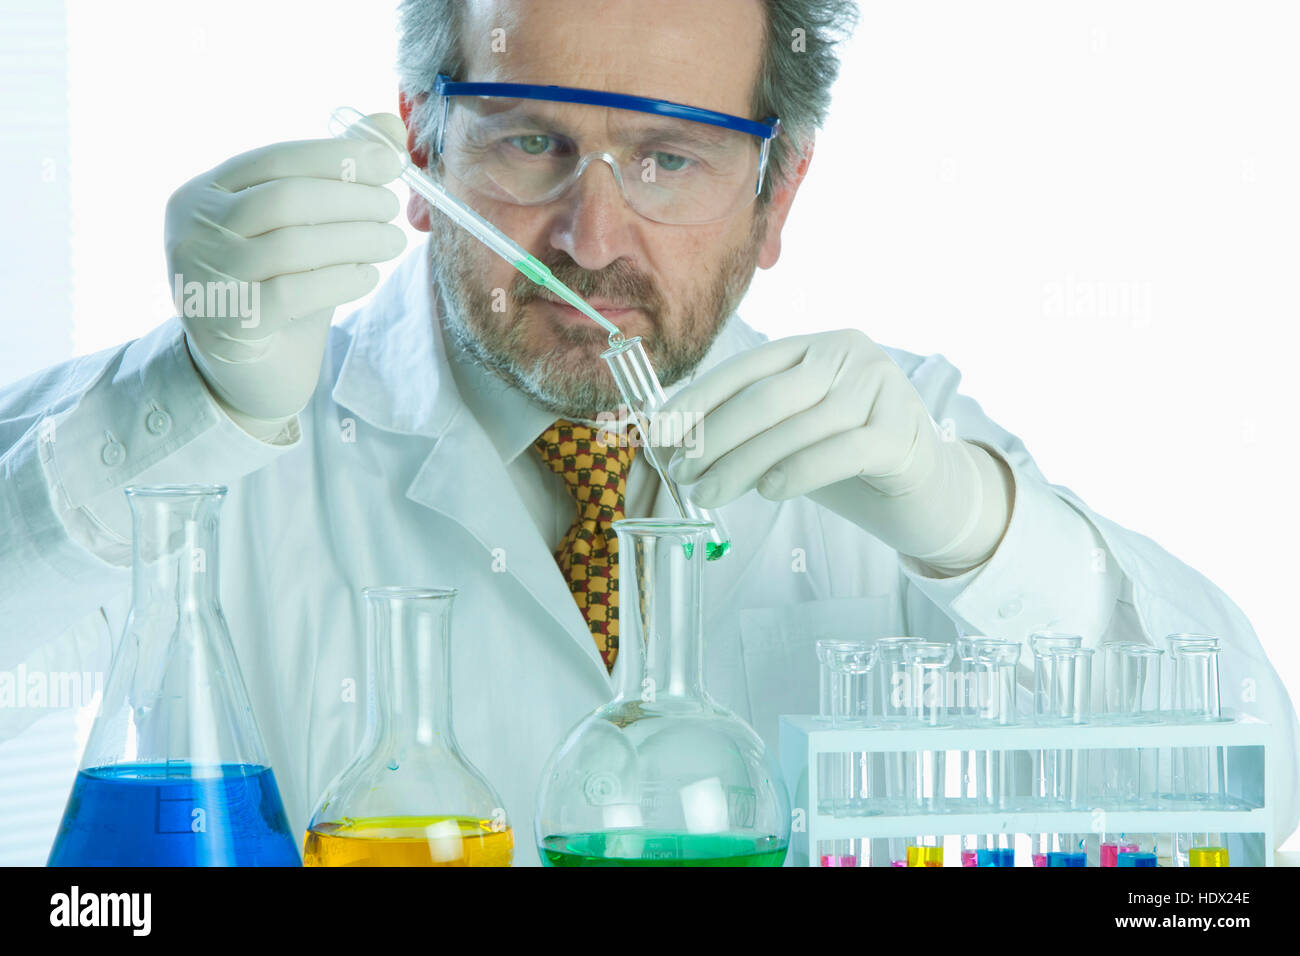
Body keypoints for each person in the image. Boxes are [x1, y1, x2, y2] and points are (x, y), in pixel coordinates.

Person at [1, 0, 1295, 865]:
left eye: (670, 159)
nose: (589, 242)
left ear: (778, 195)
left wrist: (978, 531)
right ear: (419, 150)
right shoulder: (225, 450)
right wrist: (193, 397)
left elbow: (1260, 794)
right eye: (529, 144)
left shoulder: (895, 450)